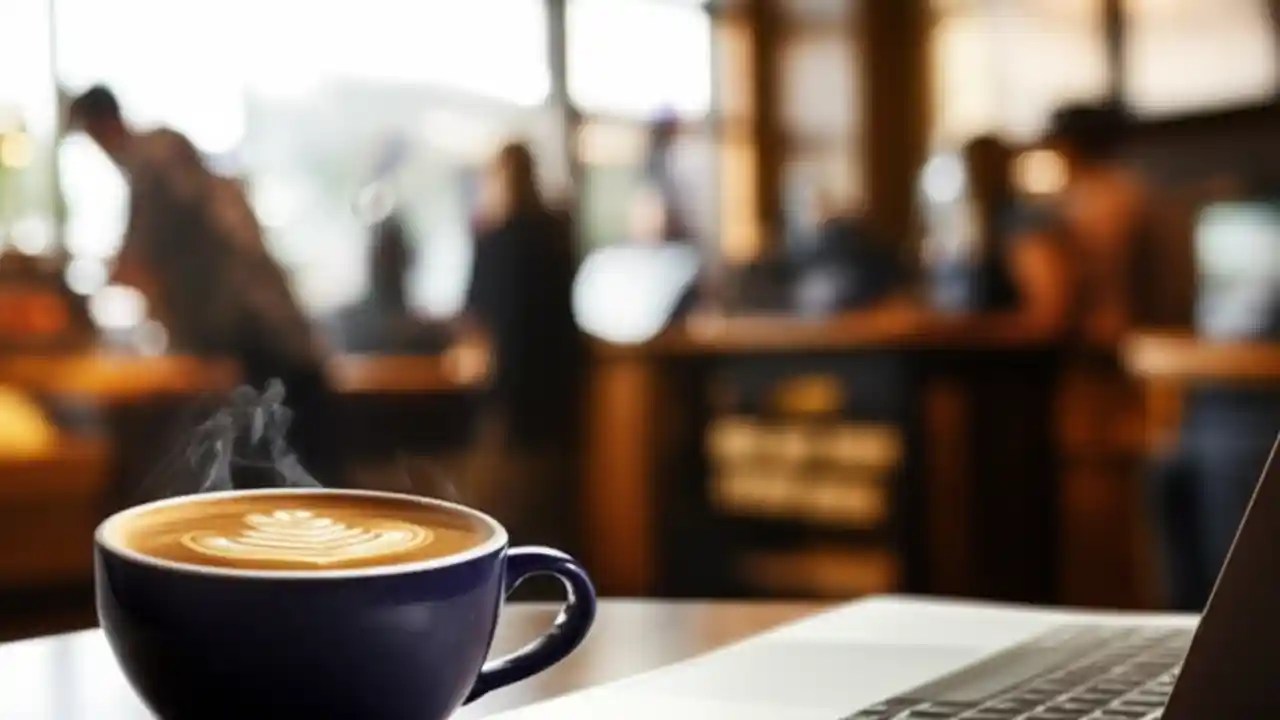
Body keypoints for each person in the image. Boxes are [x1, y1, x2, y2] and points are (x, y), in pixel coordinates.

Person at [68, 85, 341, 483]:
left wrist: (87, 286)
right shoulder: (166, 156)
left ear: (99, 126)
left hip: (261, 344)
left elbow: (137, 265)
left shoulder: (155, 161)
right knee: (292, 486)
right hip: (270, 338)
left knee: (287, 491)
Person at [464, 142, 581, 550]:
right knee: (550, 501)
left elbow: (478, 321)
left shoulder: (494, 238)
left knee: (498, 505)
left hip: (509, 389)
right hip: (558, 386)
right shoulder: (556, 235)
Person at [960, 135, 1075, 335]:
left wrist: (964, 330)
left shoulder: (1022, 224)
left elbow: (1048, 315)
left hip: (1030, 360)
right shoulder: (996, 223)